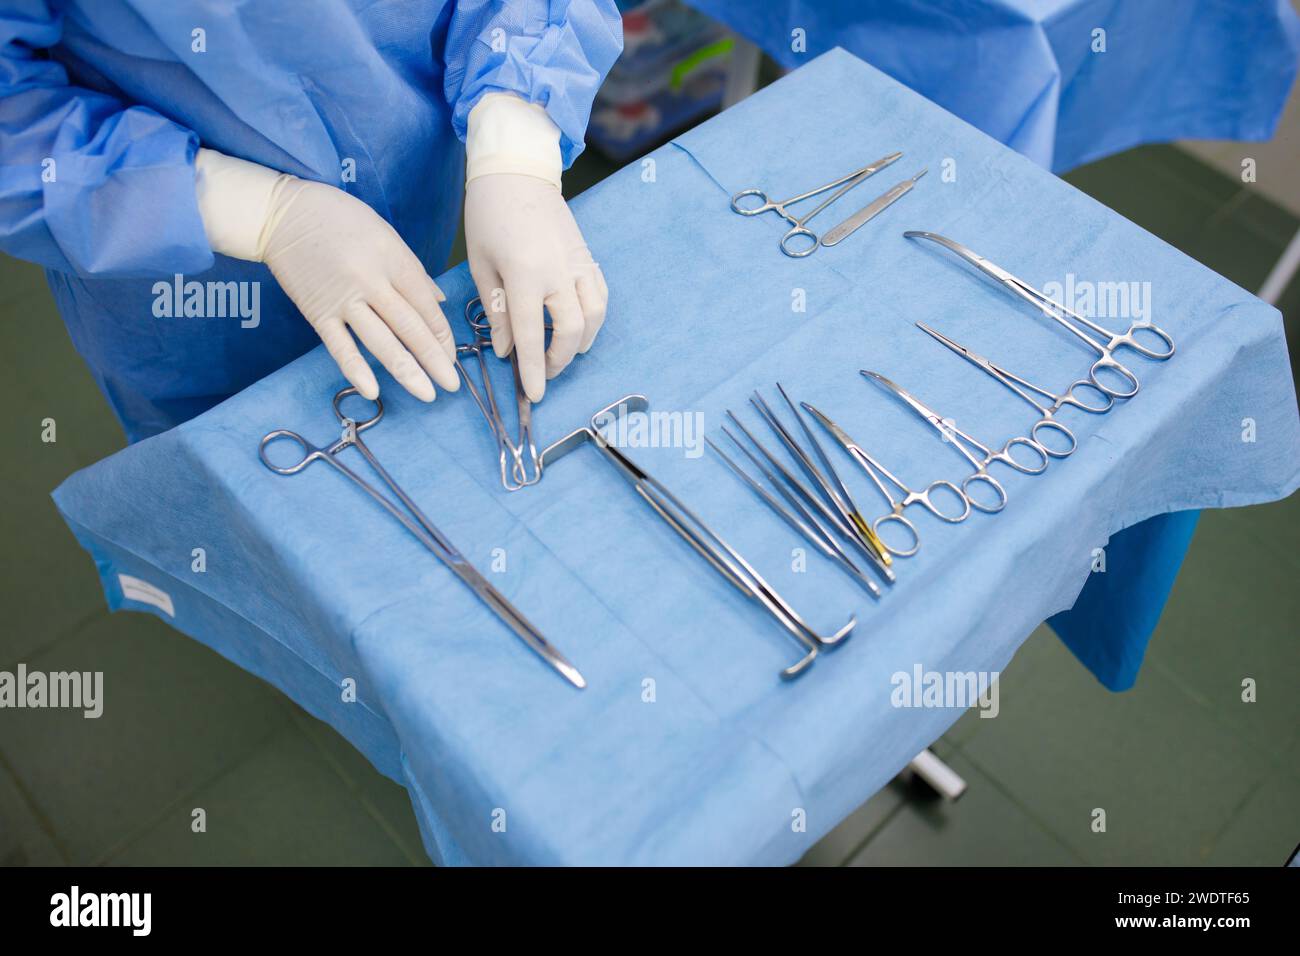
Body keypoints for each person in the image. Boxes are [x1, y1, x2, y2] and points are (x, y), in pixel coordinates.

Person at [0, 1, 623, 441]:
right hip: (182, 274)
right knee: (248, 484)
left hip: (409, 167)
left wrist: (514, 146)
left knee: (408, 337)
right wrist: (264, 214)